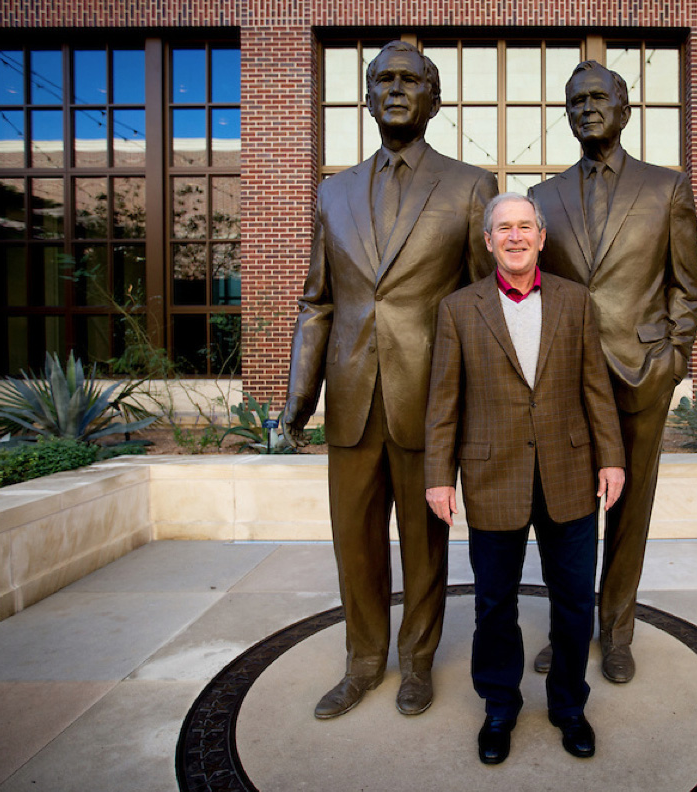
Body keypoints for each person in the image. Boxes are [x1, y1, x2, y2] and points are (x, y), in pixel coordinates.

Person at [282, 40, 498, 720]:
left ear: (434, 100)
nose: (397, 89)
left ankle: (418, 662)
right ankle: (364, 660)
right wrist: (296, 400)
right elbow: (317, 302)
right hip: (349, 396)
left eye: (412, 80)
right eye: (384, 80)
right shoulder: (333, 191)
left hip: (427, 398)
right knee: (355, 538)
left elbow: (481, 303)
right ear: (367, 97)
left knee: (425, 540)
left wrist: (481, 403)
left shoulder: (470, 186)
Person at [424, 193, 625, 765]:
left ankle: (567, 705)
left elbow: (595, 388)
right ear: (488, 241)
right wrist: (439, 477)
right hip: (493, 477)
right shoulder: (458, 309)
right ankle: (499, 707)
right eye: (503, 228)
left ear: (541, 237)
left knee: (572, 603)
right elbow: (444, 403)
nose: (515, 236)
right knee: (493, 603)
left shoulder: (576, 302)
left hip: (569, 471)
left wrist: (612, 457)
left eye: (525, 227)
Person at [528, 60, 697, 684]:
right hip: (565, 382)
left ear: (625, 110)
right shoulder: (542, 199)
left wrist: (672, 359)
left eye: (599, 98)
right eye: (574, 101)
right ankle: (568, 628)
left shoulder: (667, 187)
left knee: (630, 513)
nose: (586, 108)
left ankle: (617, 631)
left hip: (641, 373)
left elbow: (686, 286)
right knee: (564, 516)